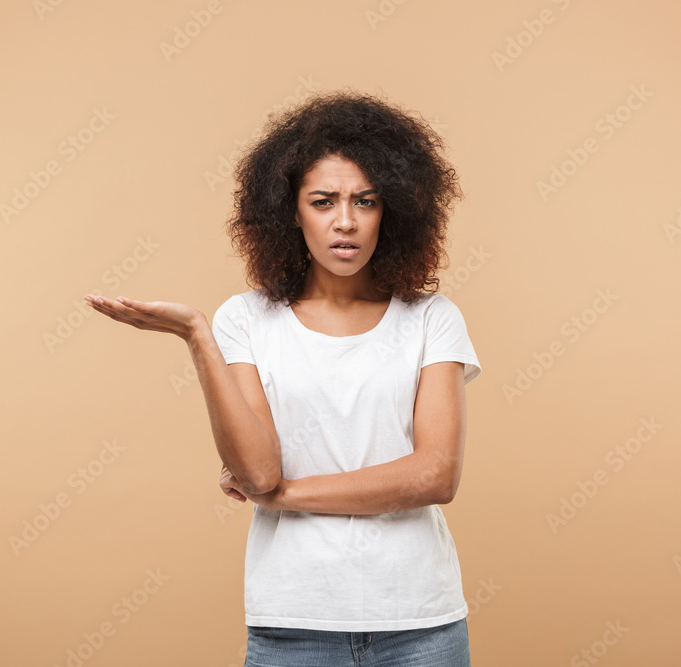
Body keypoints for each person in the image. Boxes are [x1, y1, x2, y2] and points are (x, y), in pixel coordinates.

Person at [84, 88, 480, 666]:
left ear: (392, 209)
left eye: (365, 201)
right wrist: (197, 334)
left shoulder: (431, 319)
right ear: (289, 211)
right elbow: (259, 467)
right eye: (323, 202)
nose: (345, 222)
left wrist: (281, 495)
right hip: (294, 622)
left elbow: (435, 475)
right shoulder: (244, 320)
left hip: (419, 621)